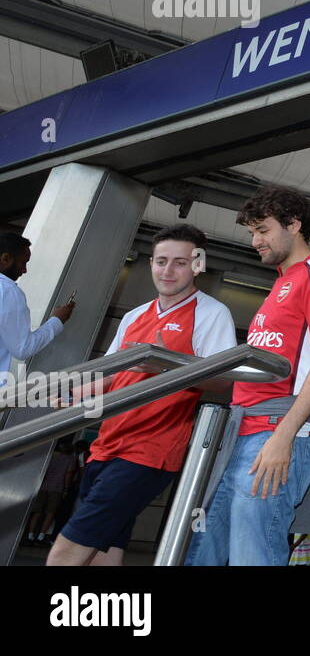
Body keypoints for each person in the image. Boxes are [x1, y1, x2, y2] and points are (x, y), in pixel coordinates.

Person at [48, 224, 237, 566]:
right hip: (108, 444)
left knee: (67, 551)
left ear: (197, 265)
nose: (168, 270)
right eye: (162, 261)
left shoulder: (211, 314)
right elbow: (109, 376)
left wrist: (166, 365)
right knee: (104, 553)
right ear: (150, 263)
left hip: (150, 451)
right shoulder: (136, 315)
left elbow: (222, 381)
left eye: (180, 262)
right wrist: (72, 393)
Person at [185, 187, 310, 567]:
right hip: (240, 432)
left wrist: (284, 435)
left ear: (294, 225)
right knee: (203, 555)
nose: (256, 241)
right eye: (251, 233)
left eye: (263, 230)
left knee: (252, 557)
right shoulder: (280, 282)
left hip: (274, 433)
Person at [0, 231, 75, 386]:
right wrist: (57, 320)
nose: (25, 270)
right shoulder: (8, 292)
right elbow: (23, 348)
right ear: (6, 259)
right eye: (23, 262)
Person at [26, 437, 77, 546]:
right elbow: (68, 474)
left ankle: (29, 535)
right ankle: (41, 537)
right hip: (57, 489)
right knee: (50, 513)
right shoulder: (70, 459)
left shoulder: (52, 457)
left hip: (43, 486)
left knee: (37, 512)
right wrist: (66, 488)